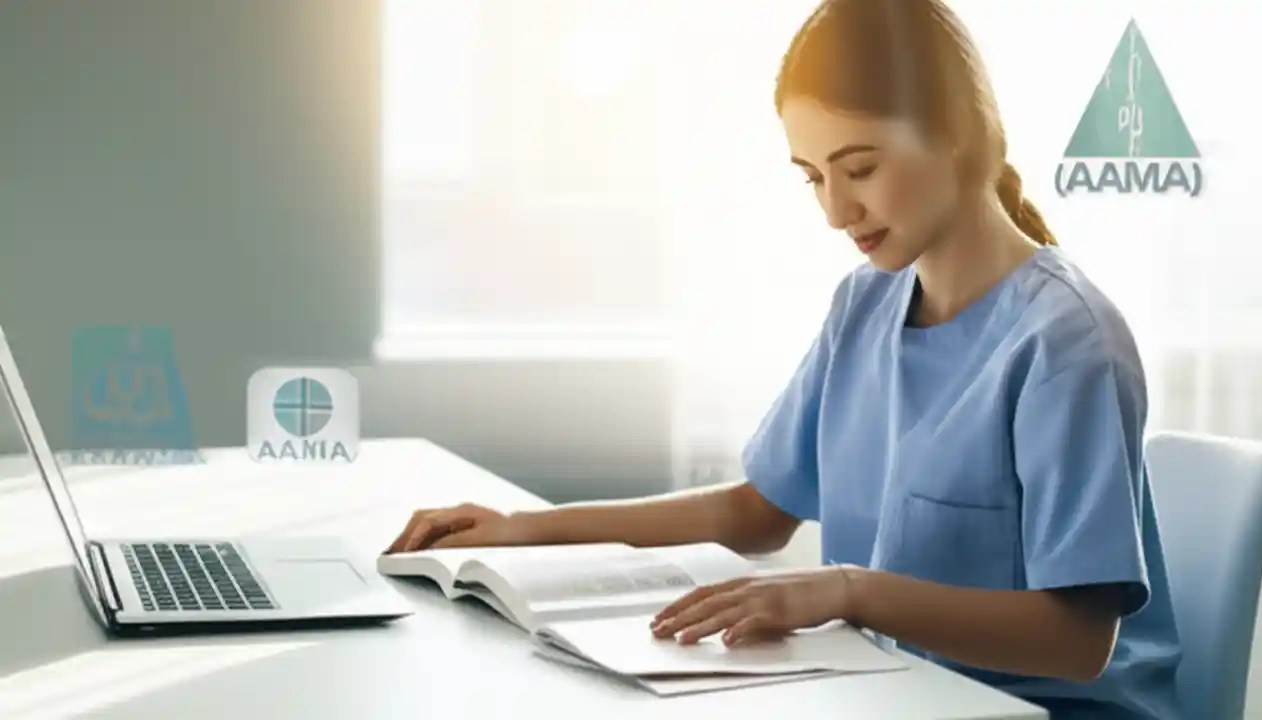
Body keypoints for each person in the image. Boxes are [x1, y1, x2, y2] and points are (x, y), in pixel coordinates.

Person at [383, 1, 1182, 717]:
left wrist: (846, 591)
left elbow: (1077, 644)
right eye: (813, 177)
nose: (836, 211)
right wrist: (526, 530)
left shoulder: (1064, 341)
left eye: (860, 169)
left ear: (956, 132)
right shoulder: (864, 305)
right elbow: (756, 514)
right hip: (898, 699)